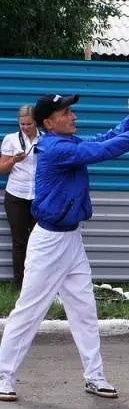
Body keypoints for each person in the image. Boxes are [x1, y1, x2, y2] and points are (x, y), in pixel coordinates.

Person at [0, 94, 129, 402]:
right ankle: (3, 376)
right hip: (49, 243)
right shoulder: (56, 149)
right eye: (66, 112)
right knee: (29, 311)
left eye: (71, 111)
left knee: (84, 311)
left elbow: (105, 138)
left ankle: (94, 377)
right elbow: (103, 150)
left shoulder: (68, 143)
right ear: (49, 124)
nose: (73, 116)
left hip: (71, 240)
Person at [0, 106, 40, 289]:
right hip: (16, 195)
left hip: (39, 197)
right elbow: (1, 169)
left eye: (29, 123)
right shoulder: (10, 139)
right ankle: (20, 285)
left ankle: (39, 284)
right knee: (19, 241)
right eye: (22, 124)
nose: (25, 127)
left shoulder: (46, 139)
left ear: (36, 122)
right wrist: (13, 161)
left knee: (40, 242)